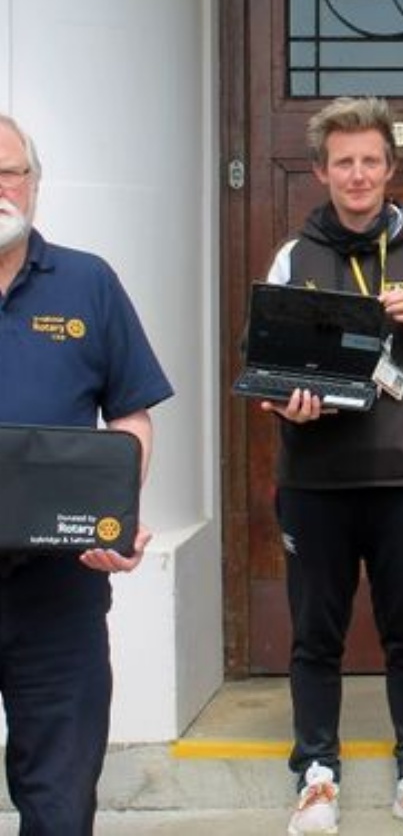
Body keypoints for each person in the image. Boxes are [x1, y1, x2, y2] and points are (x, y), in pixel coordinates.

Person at [259, 96, 403, 836]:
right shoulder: (296, 255)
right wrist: (282, 403)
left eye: (370, 161)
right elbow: (261, 361)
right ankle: (316, 774)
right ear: (322, 171)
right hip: (315, 481)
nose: (357, 175)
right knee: (314, 633)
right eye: (343, 162)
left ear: (390, 168)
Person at [0, 113, 173, 835]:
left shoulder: (88, 282)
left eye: (9, 171)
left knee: (62, 799)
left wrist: (116, 512)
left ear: (35, 184)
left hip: (60, 584)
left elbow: (132, 416)